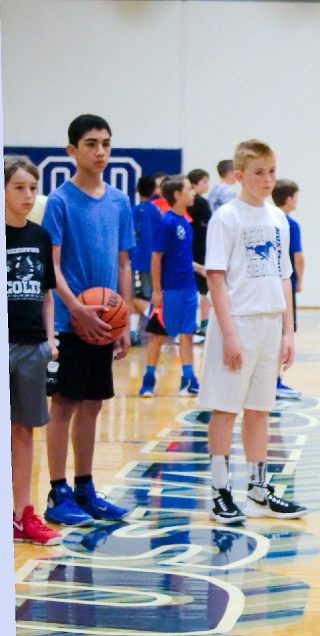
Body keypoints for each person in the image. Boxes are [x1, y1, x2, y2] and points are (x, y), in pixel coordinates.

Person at [199, 139, 307, 524]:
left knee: (261, 410)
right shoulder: (227, 217)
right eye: (259, 172)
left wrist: (288, 332)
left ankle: (259, 491)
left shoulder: (279, 219)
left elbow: (284, 277)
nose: (267, 179)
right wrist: (228, 333)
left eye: (272, 171)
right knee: (226, 409)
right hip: (237, 323)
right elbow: (215, 278)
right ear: (240, 175)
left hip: (269, 324)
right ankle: (219, 490)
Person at [41, 113, 134, 526]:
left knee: (94, 405)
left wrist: (123, 319)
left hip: (106, 321)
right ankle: (57, 491)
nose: (100, 152)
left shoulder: (118, 201)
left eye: (106, 144)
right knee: (64, 404)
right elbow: (52, 266)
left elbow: (124, 263)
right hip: (71, 322)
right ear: (72, 151)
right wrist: (76, 309)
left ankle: (85, 487)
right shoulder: (59, 201)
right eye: (91, 144)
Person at [6, 156, 61, 545]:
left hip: (30, 346)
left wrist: (50, 340)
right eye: (19, 188)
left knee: (23, 431)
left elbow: (46, 294)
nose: (28, 196)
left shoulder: (39, 236)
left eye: (32, 188)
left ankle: (23, 514)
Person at [138, 175, 201, 397]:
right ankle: (148, 379)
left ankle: (188, 379)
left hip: (188, 288)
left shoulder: (185, 221)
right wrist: (156, 290)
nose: (193, 193)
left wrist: (199, 268)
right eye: (189, 189)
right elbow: (156, 257)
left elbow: (181, 256)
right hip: (169, 290)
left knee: (187, 334)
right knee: (158, 335)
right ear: (177, 195)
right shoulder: (167, 222)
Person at [271, 178, 303, 400]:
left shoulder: (268, 218)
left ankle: (268, 382)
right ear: (290, 198)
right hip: (284, 283)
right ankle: (275, 383)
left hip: (267, 283)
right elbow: (298, 257)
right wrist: (299, 280)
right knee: (282, 334)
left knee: (272, 334)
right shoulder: (290, 224)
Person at [129, 174, 161, 346]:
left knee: (136, 298)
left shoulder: (135, 211)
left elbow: (131, 235)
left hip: (138, 261)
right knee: (138, 296)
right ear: (154, 190)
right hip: (152, 261)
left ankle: (161, 324)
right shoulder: (156, 211)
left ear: (136, 189)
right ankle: (134, 332)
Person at [187, 168, 213, 341]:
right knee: (204, 289)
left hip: (188, 249)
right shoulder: (201, 203)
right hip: (200, 250)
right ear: (195, 183)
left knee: (193, 289)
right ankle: (204, 324)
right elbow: (208, 225)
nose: (207, 185)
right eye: (204, 181)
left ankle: (190, 324)